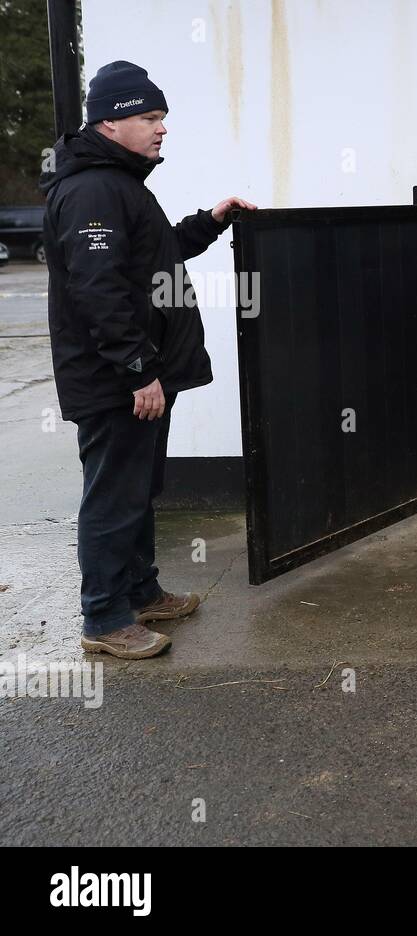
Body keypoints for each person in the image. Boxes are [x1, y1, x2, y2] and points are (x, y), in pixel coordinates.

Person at [40, 61, 258, 659]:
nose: (161, 129)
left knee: (138, 488)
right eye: (149, 118)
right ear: (110, 124)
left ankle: (140, 591)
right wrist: (138, 370)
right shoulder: (92, 189)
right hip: (116, 380)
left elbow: (154, 258)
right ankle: (105, 620)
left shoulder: (121, 182)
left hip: (138, 373)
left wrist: (207, 223)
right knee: (113, 496)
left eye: (162, 118)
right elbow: (99, 290)